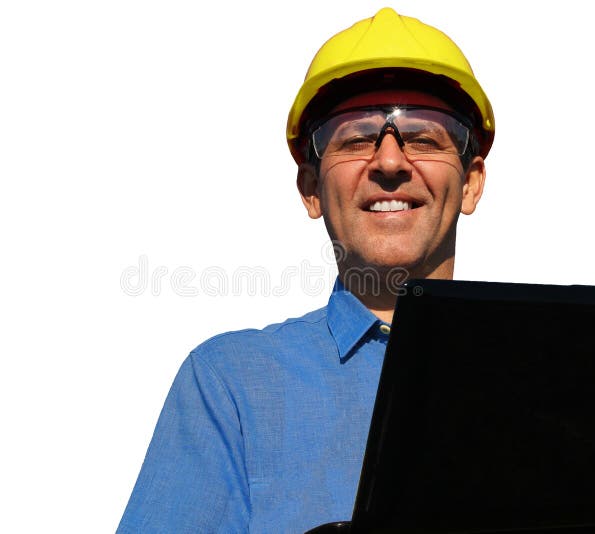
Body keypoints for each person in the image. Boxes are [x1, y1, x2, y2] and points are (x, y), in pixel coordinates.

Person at [116, 7, 493, 532]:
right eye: (357, 139)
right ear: (311, 189)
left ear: (472, 183)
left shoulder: (560, 377)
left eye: (425, 138)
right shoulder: (231, 386)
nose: (389, 162)